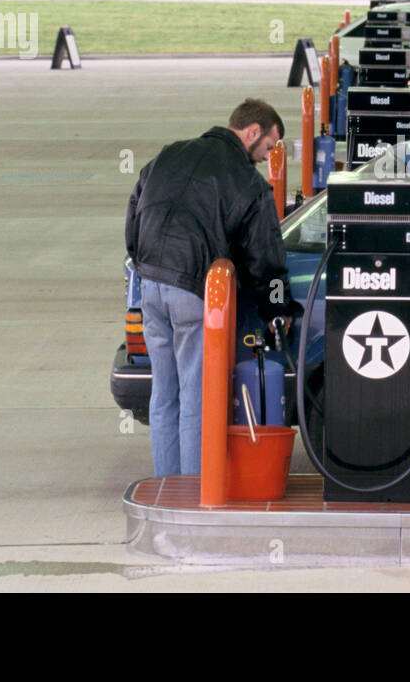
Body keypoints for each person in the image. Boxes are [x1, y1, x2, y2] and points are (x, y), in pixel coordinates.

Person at [125, 99, 303, 477]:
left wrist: (142, 265)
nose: (266, 155)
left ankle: (166, 488)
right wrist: (278, 309)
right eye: (269, 146)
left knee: (163, 394)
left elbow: (134, 210)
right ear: (253, 132)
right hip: (194, 292)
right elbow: (266, 257)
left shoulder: (170, 153)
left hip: (150, 287)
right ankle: (193, 491)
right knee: (196, 398)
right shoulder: (247, 181)